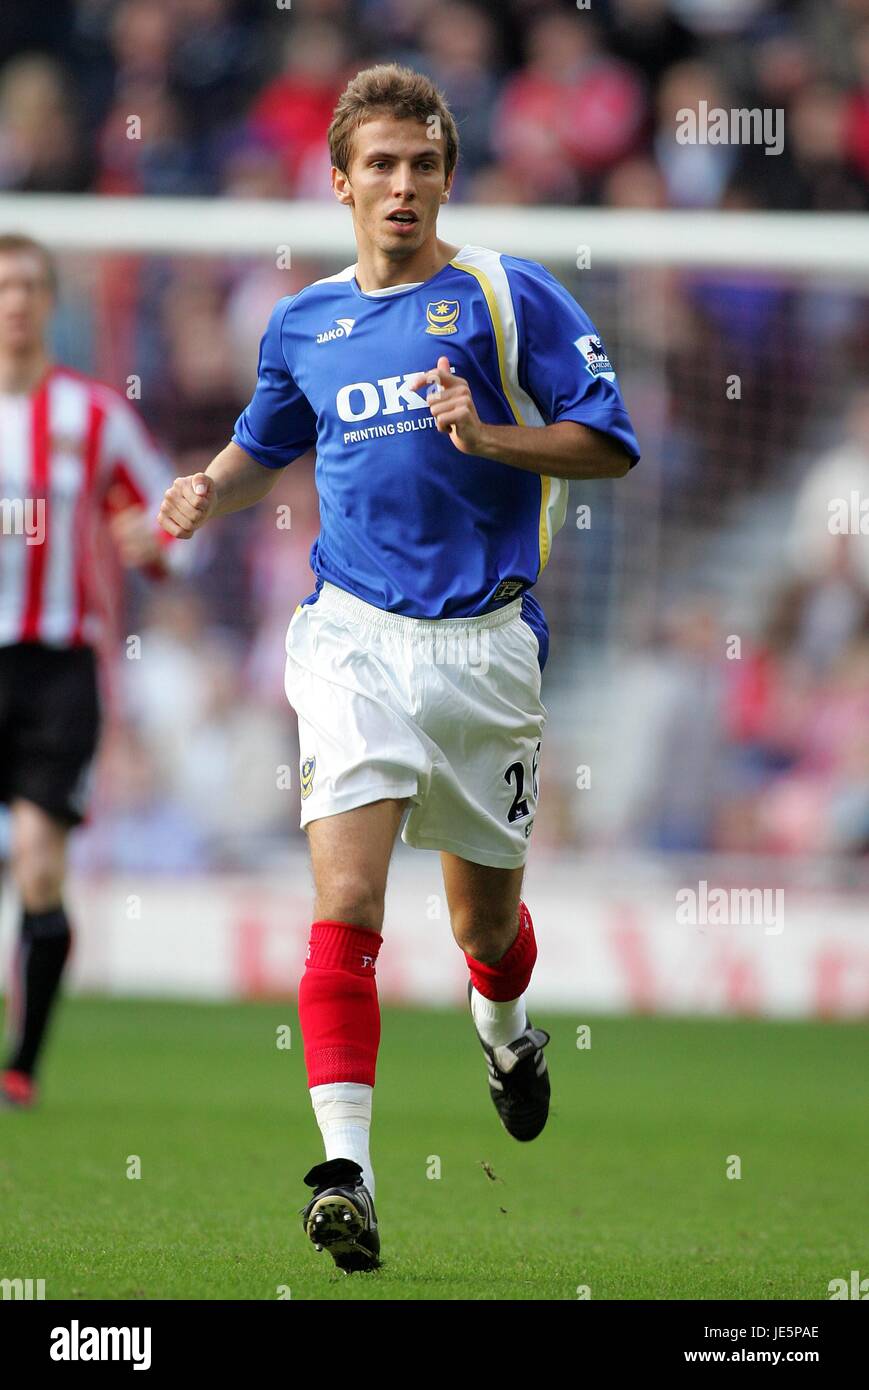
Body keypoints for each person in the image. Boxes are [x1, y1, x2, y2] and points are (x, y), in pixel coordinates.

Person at [158, 63, 640, 1272]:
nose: (402, 185)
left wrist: (489, 436)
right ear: (339, 183)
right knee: (347, 902)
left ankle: (506, 1028)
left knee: (483, 924)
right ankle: (349, 1177)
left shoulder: (501, 296)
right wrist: (202, 491)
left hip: (486, 650)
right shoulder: (302, 324)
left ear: (446, 178)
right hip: (351, 639)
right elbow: (262, 442)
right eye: (379, 164)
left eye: (423, 164)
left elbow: (608, 445)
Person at [0, 233, 178, 1108]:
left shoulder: (94, 414)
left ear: (51, 301)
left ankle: (22, 1064)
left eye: (31, 286)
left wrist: (155, 542)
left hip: (59, 668)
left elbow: (166, 514)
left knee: (38, 865)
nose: (17, 302)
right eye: (3, 287)